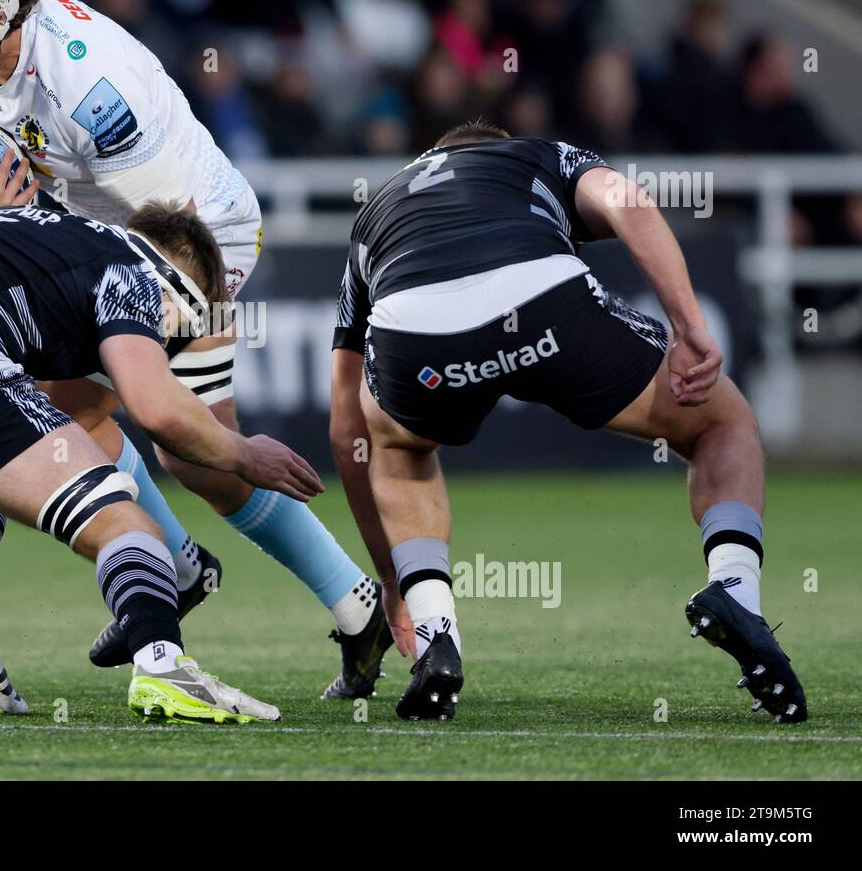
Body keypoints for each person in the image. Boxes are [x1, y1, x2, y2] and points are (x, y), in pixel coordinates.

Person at [0, 0, 391, 702]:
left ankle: (204, 574)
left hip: (193, 237)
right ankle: (306, 596)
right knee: (77, 414)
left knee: (184, 443)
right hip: (78, 239)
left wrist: (9, 234)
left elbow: (158, 246)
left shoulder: (93, 85)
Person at [328, 119, 807, 723]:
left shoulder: (375, 211)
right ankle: (735, 588)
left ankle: (435, 634)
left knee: (398, 447)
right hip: (544, 305)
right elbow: (628, 202)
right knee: (723, 423)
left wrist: (389, 576)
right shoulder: (536, 154)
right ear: (496, 146)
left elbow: (346, 429)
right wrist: (689, 325)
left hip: (415, 334)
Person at [0, 198, 322, 723]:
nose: (170, 344)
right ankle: (164, 668)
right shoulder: (133, 268)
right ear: (176, 295)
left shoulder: (35, 232)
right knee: (124, 520)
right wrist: (243, 453)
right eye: (179, 334)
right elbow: (156, 408)